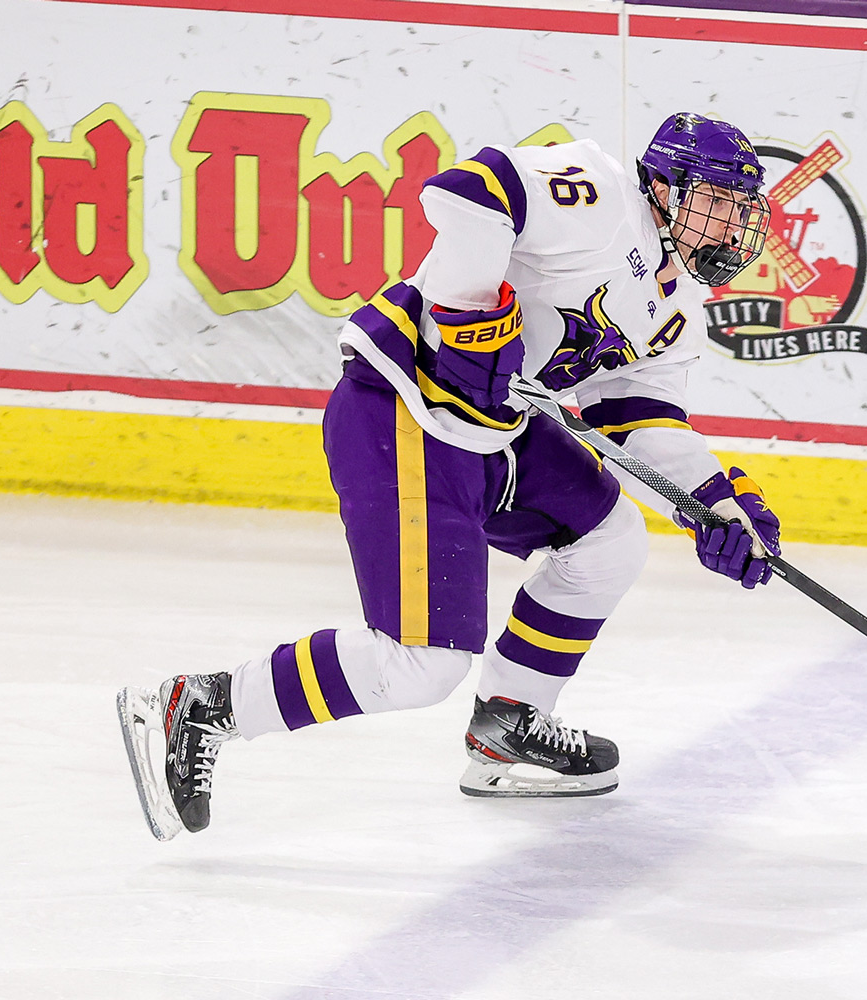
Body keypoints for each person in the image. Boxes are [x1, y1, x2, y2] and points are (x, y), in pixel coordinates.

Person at [116, 113, 784, 841]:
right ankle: (207, 704)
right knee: (422, 666)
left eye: (742, 210)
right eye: (719, 201)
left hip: (494, 435)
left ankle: (509, 721)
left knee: (610, 539)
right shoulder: (601, 191)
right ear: (664, 186)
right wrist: (469, 316)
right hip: (404, 409)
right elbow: (472, 192)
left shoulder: (679, 308)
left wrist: (717, 506)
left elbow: (642, 415)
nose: (731, 226)